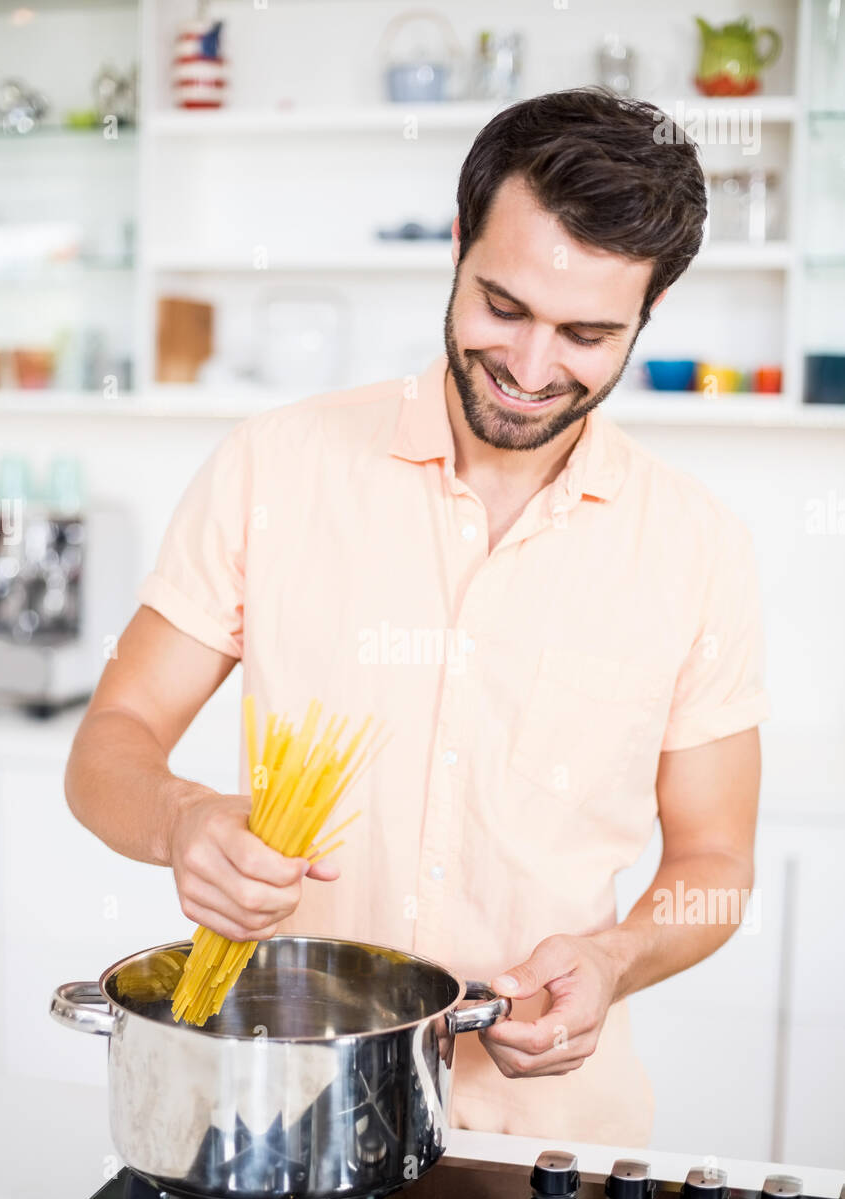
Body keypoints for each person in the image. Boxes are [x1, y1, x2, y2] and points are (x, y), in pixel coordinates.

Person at [65, 88, 770, 1144]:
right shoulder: (276, 465)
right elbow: (107, 747)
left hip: (545, 1136)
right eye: (503, 307)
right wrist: (180, 821)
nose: (531, 370)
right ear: (455, 246)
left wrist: (617, 958)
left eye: (585, 333)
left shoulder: (695, 545)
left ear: (648, 315)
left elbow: (714, 864)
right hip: (282, 1115)